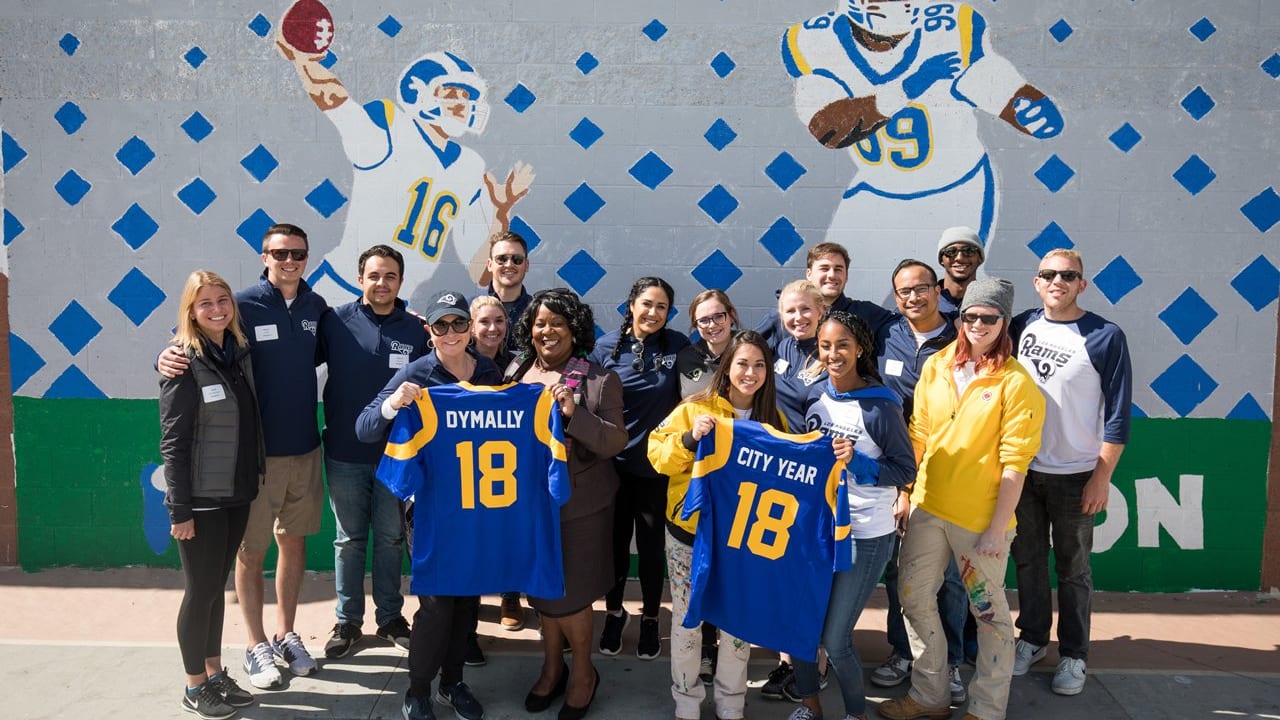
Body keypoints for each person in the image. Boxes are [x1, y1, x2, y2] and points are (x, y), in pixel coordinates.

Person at [781, 1, 1063, 292]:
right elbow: (829, 129)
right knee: (837, 295)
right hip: (875, 192)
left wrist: (1019, 103)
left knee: (956, 296)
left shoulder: (948, 28)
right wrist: (907, 88)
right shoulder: (816, 41)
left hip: (955, 191)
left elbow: (984, 78)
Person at [158, 224, 329, 689]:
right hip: (256, 458)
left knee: (293, 544)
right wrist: (164, 355)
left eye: (297, 253)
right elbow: (197, 341)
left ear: (306, 257)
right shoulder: (244, 305)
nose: (289, 260)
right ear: (264, 256)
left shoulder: (317, 307)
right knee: (251, 553)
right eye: (279, 252)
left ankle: (285, 634)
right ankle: (255, 646)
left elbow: (356, 342)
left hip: (306, 449)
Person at [879, 278, 1045, 720]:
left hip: (980, 520)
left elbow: (1016, 464)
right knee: (912, 598)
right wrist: (906, 492)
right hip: (928, 508)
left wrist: (996, 529)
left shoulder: (1016, 382)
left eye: (988, 317)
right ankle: (930, 696)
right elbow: (919, 434)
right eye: (970, 315)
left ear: (1003, 322)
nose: (977, 324)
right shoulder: (936, 365)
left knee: (988, 614)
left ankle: (987, 709)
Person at [276, 37, 532, 306]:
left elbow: (481, 273)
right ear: (417, 92)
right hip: (340, 289)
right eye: (452, 93)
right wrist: (304, 60)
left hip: (399, 304)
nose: (461, 104)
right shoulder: (391, 126)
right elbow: (336, 102)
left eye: (466, 96)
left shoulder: (470, 166)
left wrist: (501, 214)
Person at [355, 289, 501, 720]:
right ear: (429, 330)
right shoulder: (417, 372)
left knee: (466, 600)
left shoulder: (489, 371)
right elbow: (364, 427)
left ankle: (452, 683)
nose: (451, 332)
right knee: (437, 602)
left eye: (459, 323)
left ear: (470, 328)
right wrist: (394, 403)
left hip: (479, 506)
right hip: (431, 509)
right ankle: (417, 690)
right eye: (442, 325)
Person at [1009, 249, 1132, 695]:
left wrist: (1102, 476)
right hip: (1023, 470)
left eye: (1068, 275)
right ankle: (1033, 639)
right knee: (1027, 560)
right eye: (1048, 274)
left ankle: (1075, 655)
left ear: (1082, 283)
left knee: (1074, 568)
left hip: (1077, 473)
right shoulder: (1021, 326)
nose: (1057, 281)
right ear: (1037, 282)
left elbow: (1118, 414)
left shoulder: (1104, 336)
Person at [649, 330, 787, 720]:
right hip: (689, 535)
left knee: (737, 624)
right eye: (743, 363)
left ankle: (731, 705)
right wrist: (692, 439)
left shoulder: (773, 419)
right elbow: (657, 455)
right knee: (688, 621)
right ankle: (687, 704)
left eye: (759, 365)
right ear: (727, 367)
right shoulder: (695, 408)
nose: (751, 372)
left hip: (743, 541)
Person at [506, 288, 628, 720]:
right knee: (541, 590)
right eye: (540, 323)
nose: (548, 331)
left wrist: (574, 413)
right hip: (529, 504)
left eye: (558, 322)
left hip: (581, 507)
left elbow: (615, 440)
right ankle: (552, 666)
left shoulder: (599, 379)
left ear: (575, 330)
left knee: (572, 596)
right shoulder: (516, 372)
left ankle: (583, 673)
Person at [788, 311, 916, 720]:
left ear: (860, 348)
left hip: (865, 535)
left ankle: (855, 714)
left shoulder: (880, 406)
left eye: (842, 345)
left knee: (836, 638)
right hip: (818, 533)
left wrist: (858, 463)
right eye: (825, 346)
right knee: (803, 629)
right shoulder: (816, 396)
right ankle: (811, 707)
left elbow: (905, 470)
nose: (833, 354)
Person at [160, 270, 262, 720]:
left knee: (215, 591)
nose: (218, 308)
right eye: (206, 303)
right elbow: (174, 442)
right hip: (200, 498)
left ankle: (215, 674)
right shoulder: (183, 360)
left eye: (223, 300)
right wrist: (179, 508)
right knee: (199, 591)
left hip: (235, 492)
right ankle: (193, 685)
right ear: (191, 311)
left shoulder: (236, 353)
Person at [317, 245, 427, 659]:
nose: (382, 284)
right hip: (345, 452)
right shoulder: (335, 323)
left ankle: (390, 617)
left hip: (397, 456)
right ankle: (347, 621)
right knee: (349, 539)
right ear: (360, 278)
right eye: (374, 276)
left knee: (390, 537)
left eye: (391, 277)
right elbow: (291, 360)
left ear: (401, 281)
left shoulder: (416, 330)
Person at [870, 260, 968, 704]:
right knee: (898, 571)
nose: (914, 297)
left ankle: (950, 663)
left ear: (937, 290)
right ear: (896, 298)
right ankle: (904, 653)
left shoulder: (962, 336)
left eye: (922, 288)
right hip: (895, 469)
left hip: (945, 474)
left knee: (946, 576)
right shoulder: (887, 335)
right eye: (904, 291)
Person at [589, 277, 691, 660]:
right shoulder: (603, 348)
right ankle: (614, 614)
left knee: (650, 551)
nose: (653, 312)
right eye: (647, 303)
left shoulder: (677, 346)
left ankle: (650, 618)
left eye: (662, 307)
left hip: (656, 470)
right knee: (615, 547)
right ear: (631, 305)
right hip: (613, 468)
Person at [759, 279, 828, 699]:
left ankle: (816, 666)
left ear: (821, 311)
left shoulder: (834, 349)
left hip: (818, 485)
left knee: (811, 577)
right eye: (790, 312)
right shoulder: (779, 347)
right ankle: (788, 664)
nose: (798, 318)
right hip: (779, 480)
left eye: (806, 310)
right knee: (781, 574)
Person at [467, 293, 521, 637]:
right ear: (471, 326)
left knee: (509, 531)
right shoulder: (458, 360)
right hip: (468, 464)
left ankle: (510, 596)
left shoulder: (519, 364)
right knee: (473, 537)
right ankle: (468, 615)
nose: (492, 328)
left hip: (509, 463)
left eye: (498, 321)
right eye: (484, 322)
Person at [756, 243, 894, 347]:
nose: (832, 275)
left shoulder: (865, 313)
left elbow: (905, 325)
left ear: (846, 276)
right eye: (824, 268)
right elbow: (749, 350)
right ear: (809, 274)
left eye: (838, 269)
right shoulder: (779, 319)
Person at [676, 289, 739, 399]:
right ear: (696, 325)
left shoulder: (748, 352)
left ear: (731, 316)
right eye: (703, 320)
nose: (712, 325)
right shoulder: (685, 358)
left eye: (718, 316)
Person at [484, 230, 534, 352]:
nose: (509, 265)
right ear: (490, 265)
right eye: (501, 259)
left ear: (526, 265)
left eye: (517, 259)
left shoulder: (537, 311)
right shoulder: (469, 308)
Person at [936, 227, 985, 315]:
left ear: (980, 258)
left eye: (969, 251)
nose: (960, 258)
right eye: (951, 252)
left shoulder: (990, 301)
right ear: (941, 260)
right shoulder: (928, 300)